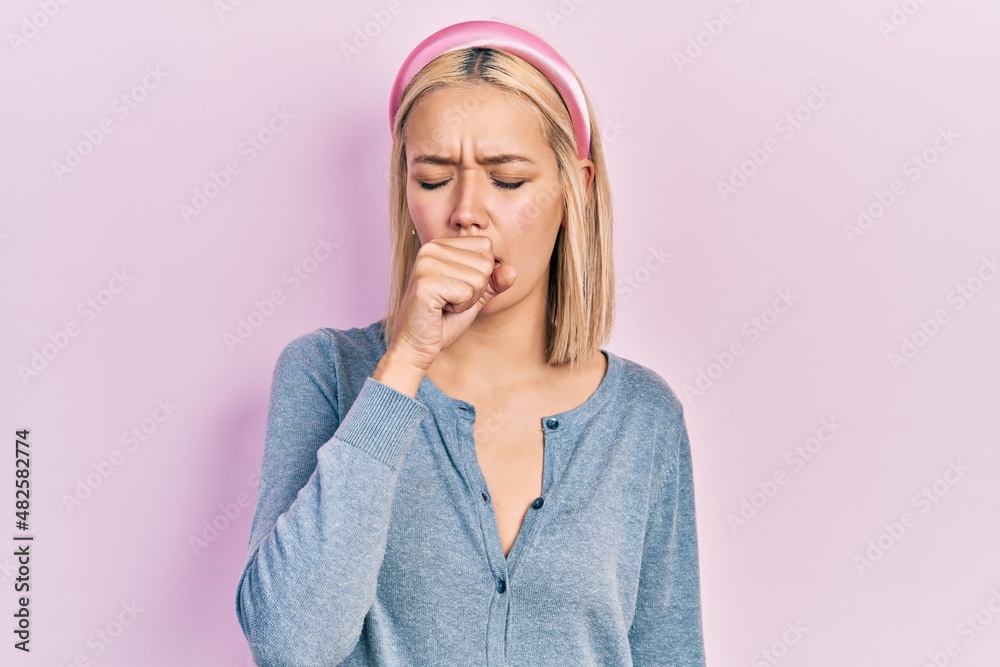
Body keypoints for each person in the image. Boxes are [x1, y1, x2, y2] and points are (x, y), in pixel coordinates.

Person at [235, 19, 706, 666]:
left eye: (507, 179)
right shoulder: (329, 373)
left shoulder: (644, 418)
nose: (465, 211)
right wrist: (405, 361)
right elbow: (292, 644)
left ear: (577, 188)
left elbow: (668, 652)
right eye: (432, 178)